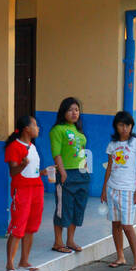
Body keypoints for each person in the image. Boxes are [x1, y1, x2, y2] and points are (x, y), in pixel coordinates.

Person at [101, 111, 136, 271]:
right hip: (113, 188)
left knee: (127, 226)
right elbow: (109, 168)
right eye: (121, 125)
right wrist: (104, 189)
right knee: (116, 224)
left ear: (131, 126)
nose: (124, 128)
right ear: (116, 126)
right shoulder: (112, 145)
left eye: (127, 125)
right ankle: (120, 256)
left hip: (128, 190)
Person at [4, 116, 44, 271]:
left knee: (31, 226)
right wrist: (22, 164)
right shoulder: (14, 147)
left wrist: (43, 172)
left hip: (36, 188)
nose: (38, 128)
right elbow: (13, 172)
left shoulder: (32, 147)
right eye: (35, 125)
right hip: (22, 189)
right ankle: (10, 265)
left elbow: (32, 171)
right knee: (18, 226)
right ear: (27, 129)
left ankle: (24, 260)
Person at [49, 97, 88, 254]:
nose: (74, 113)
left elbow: (82, 151)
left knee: (78, 207)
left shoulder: (78, 131)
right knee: (63, 207)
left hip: (82, 174)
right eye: (71, 110)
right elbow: (56, 153)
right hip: (66, 173)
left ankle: (70, 240)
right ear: (63, 111)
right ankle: (58, 242)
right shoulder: (58, 130)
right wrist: (62, 171)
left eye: (77, 110)